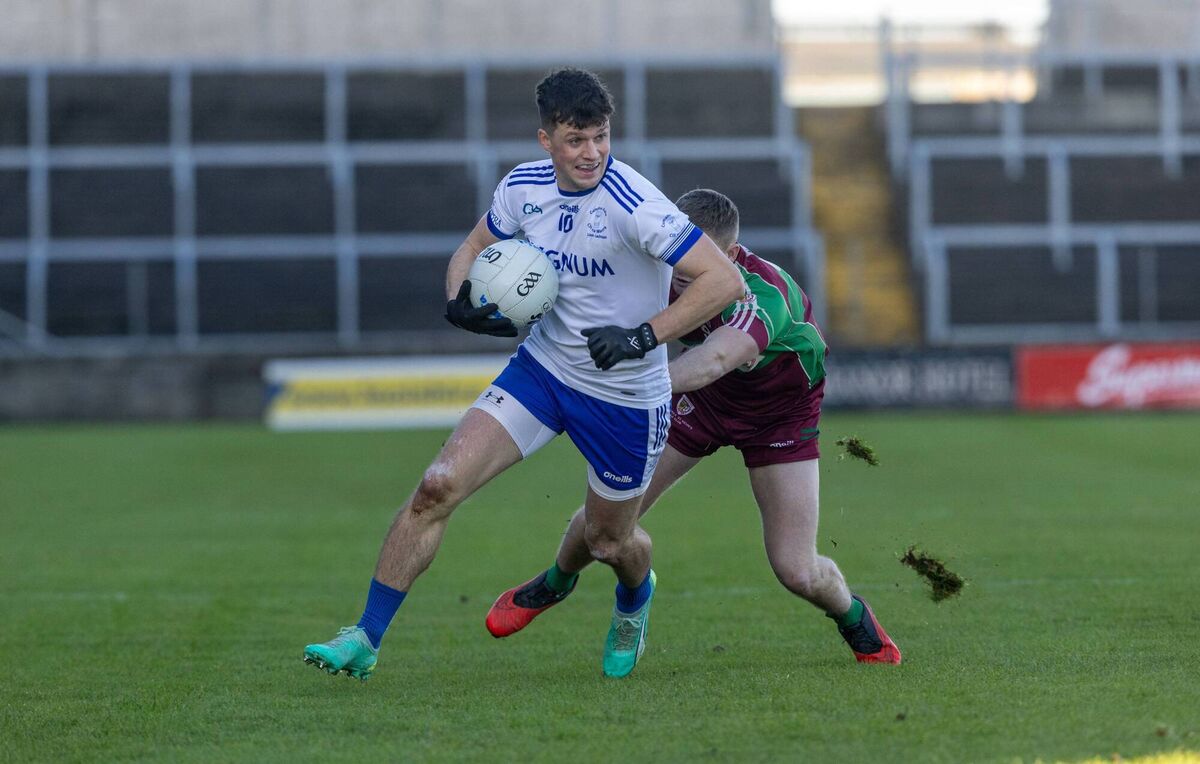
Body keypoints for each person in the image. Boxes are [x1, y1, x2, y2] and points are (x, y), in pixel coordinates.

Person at [302, 69, 744, 679]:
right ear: (546, 139)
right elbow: (472, 248)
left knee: (609, 542)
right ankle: (364, 637)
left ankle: (634, 598)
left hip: (625, 396)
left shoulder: (635, 203)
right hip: (542, 372)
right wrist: (460, 301)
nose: (591, 154)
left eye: (601, 137)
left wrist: (644, 336)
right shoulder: (523, 188)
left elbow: (725, 282)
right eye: (575, 140)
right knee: (436, 486)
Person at [485, 188, 901, 665]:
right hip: (700, 404)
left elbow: (715, 359)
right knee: (609, 517)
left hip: (778, 414)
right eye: (673, 262)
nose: (677, 281)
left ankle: (854, 619)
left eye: (688, 271)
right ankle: (555, 582)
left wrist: (635, 384)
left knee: (797, 570)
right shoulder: (655, 263)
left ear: (726, 255)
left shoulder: (762, 295)